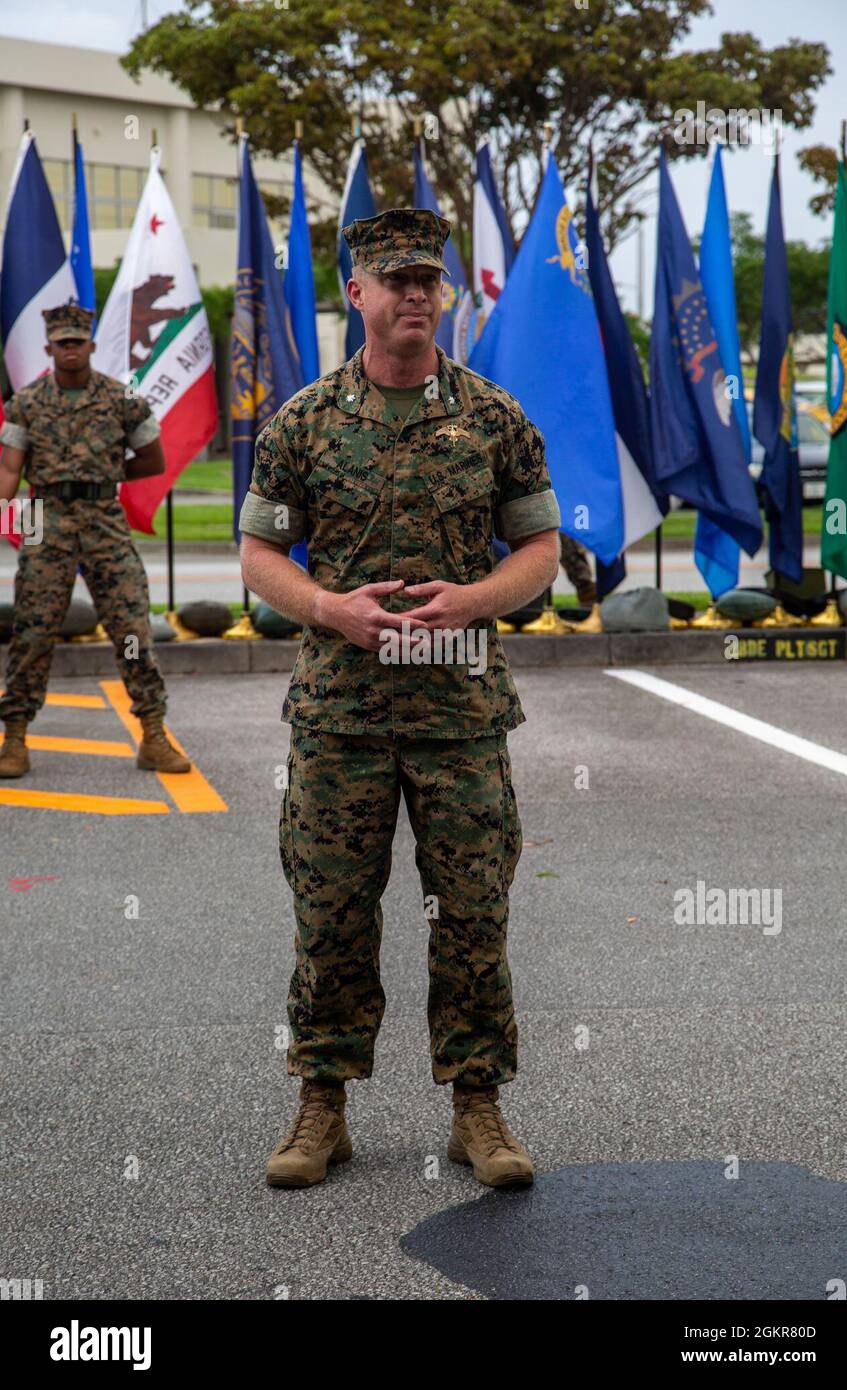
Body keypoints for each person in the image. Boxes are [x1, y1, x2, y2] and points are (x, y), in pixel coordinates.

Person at [239, 208, 561, 1190]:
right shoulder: (302, 419)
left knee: (470, 910)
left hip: (459, 715)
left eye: (428, 278)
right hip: (340, 713)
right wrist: (329, 607)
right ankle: (321, 1106)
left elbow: (540, 551)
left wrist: (474, 598)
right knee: (331, 910)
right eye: (395, 279)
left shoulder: (494, 417)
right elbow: (257, 554)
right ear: (357, 294)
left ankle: (477, 1108)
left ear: (444, 294)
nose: (414, 293)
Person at [0, 303, 190, 777]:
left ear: (90, 345)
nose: (70, 349)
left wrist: (105, 475)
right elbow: (9, 469)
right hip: (46, 521)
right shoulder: (26, 401)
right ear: (49, 347)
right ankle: (15, 737)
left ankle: (152, 734)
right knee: (34, 631)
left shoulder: (123, 398)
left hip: (105, 521)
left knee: (131, 630)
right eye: (61, 342)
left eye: (77, 341)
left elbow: (153, 459)